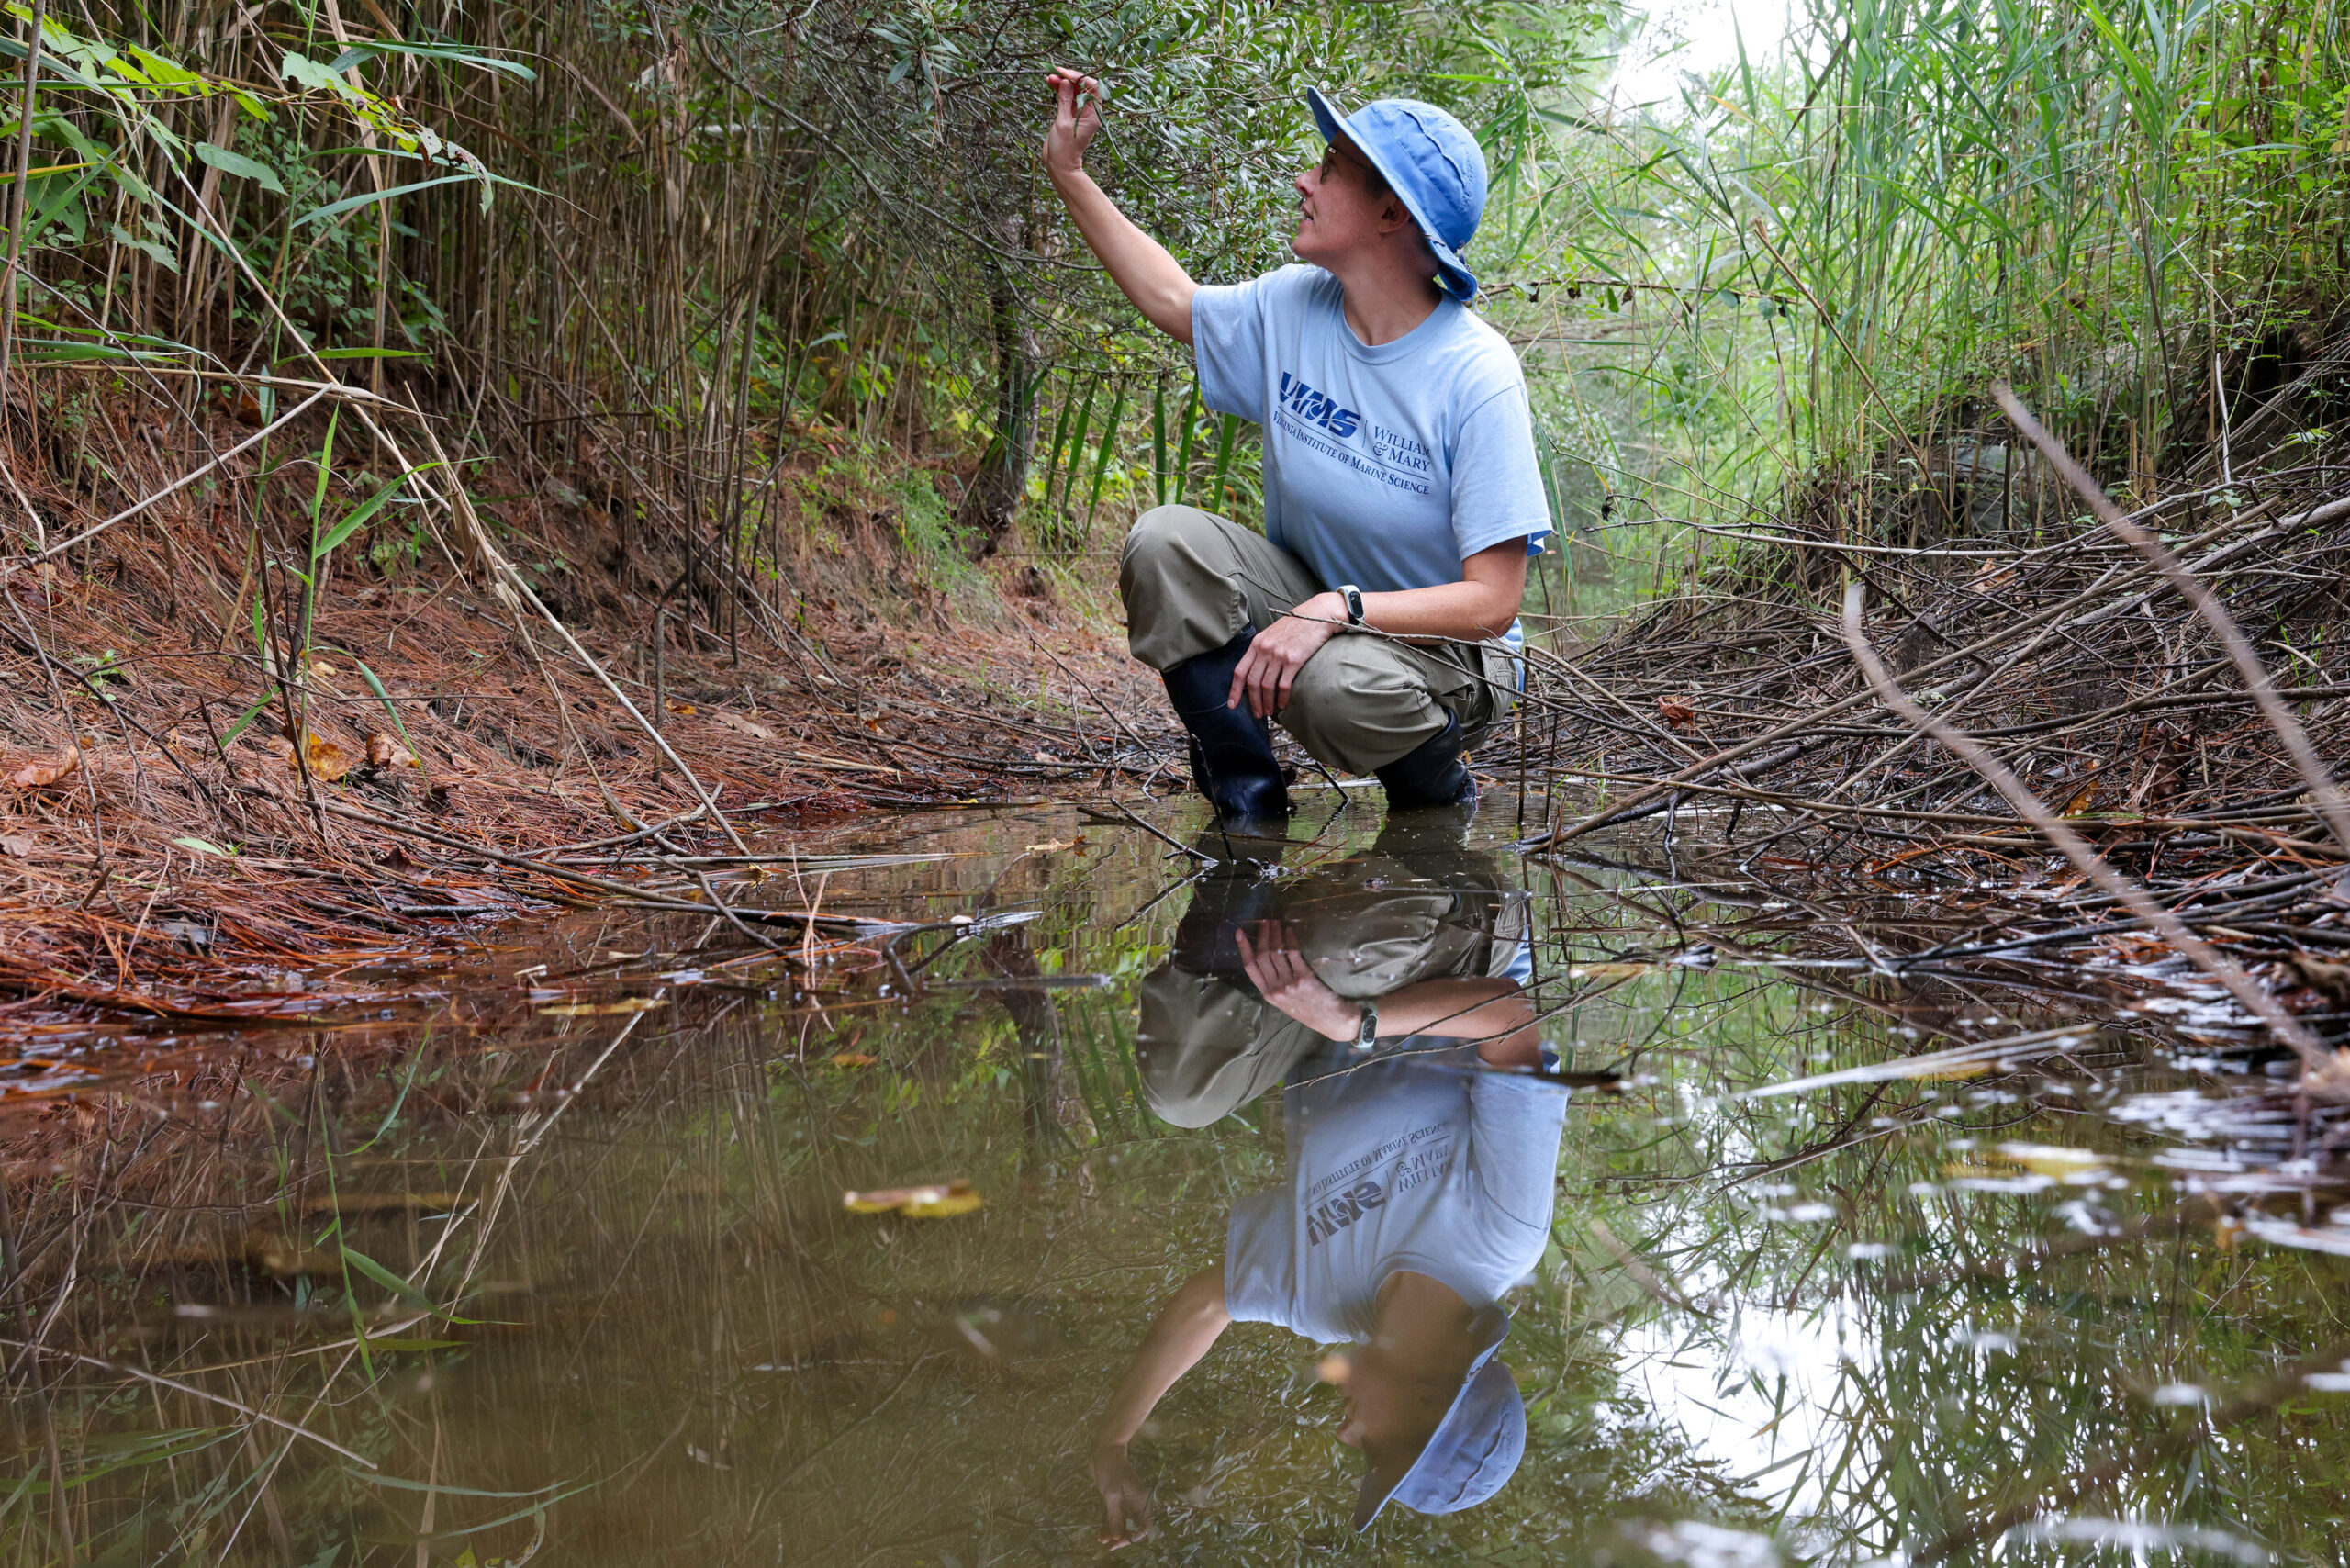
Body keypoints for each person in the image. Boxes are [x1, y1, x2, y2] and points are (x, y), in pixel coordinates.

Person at [1042, 70, 1553, 822]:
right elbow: (1171, 300)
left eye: (1330, 167)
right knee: (1166, 543)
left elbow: (1492, 602)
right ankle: (1249, 809)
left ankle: (1437, 799)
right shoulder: (1295, 304)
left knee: (1336, 683)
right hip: (1318, 598)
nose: (1303, 179)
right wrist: (1069, 173)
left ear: (1389, 212)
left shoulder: (1476, 374)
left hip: (1445, 656)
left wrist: (1335, 610)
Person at [1089, 817, 1568, 1543]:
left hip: (1320, 1013)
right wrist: (1354, 1025)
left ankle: (1245, 829)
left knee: (1183, 1093)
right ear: (1432, 1395)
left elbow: (1206, 1304)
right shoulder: (1503, 1238)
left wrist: (1113, 1440)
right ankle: (1432, 800)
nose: (1348, 1437)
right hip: (1451, 961)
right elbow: (1508, 1018)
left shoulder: (1323, 1307)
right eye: (1377, 1445)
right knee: (1348, 946)